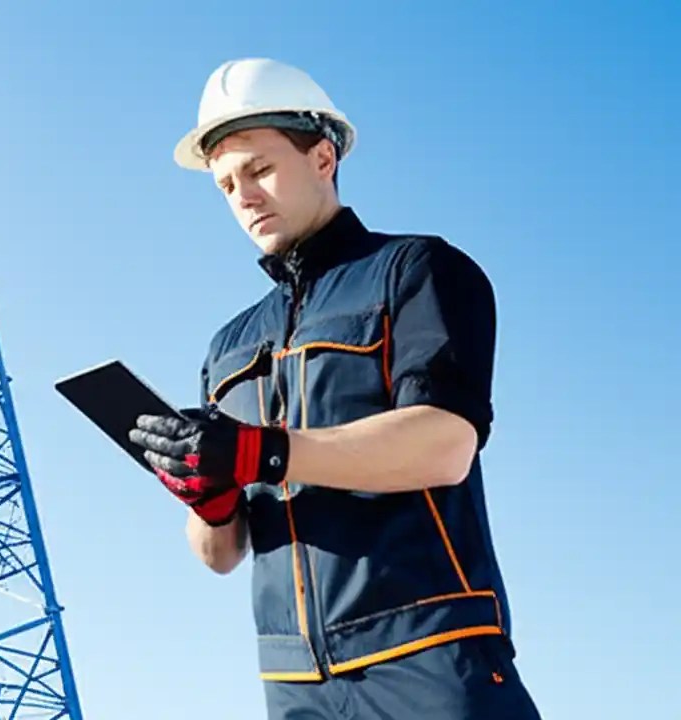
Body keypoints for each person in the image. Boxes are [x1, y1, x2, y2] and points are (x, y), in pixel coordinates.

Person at [127, 58, 543, 719]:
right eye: (226, 185)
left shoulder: (416, 271)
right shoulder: (227, 347)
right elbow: (222, 555)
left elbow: (444, 443)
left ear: (323, 157)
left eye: (260, 170)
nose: (244, 196)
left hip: (428, 655)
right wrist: (206, 497)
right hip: (294, 685)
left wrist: (259, 452)